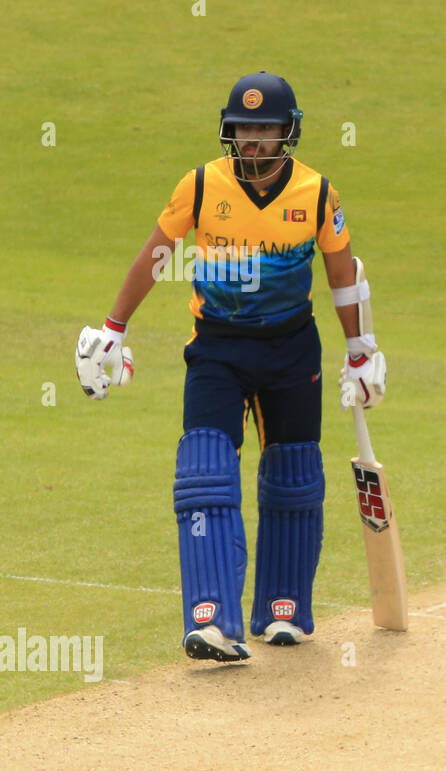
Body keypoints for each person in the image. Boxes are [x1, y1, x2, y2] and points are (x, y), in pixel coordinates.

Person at [74, 72, 388, 662]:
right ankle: (211, 618)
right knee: (205, 473)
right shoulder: (200, 186)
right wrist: (113, 328)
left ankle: (282, 607)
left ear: (287, 132)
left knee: (294, 478)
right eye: (244, 128)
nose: (253, 140)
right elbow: (158, 252)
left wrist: (360, 352)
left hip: (291, 349)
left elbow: (342, 275)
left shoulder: (318, 193)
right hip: (217, 348)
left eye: (265, 128)